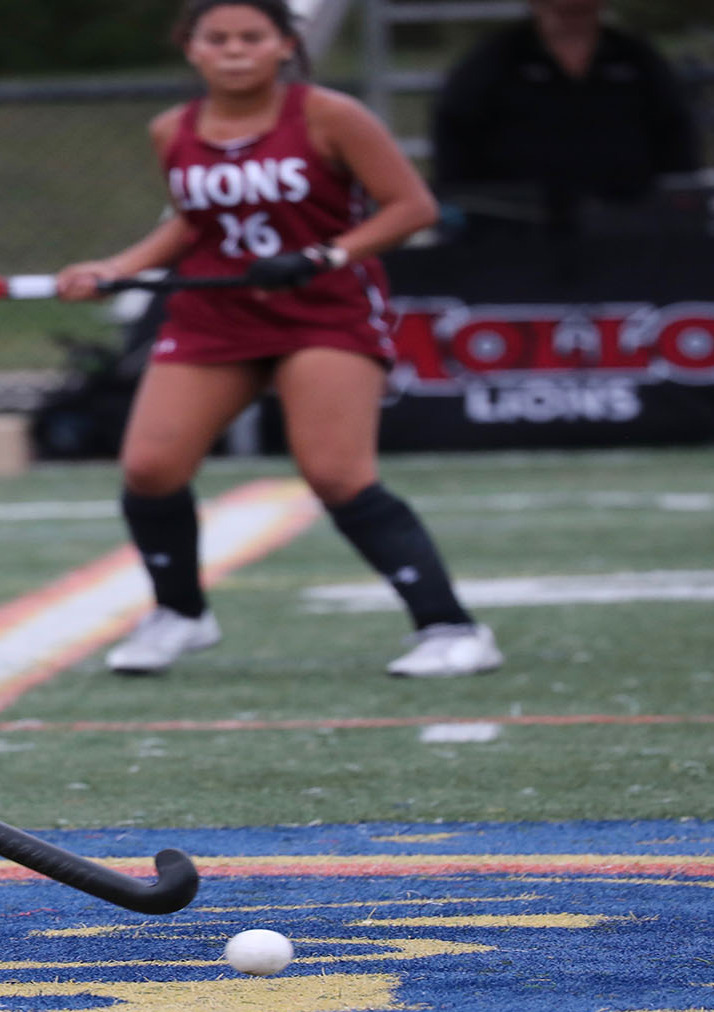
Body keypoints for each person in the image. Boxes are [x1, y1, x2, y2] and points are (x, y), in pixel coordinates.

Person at [54, 0, 503, 679]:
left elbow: (413, 207)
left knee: (336, 474)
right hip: (215, 316)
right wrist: (117, 268)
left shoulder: (331, 116)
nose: (235, 50)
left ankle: (451, 628)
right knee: (150, 468)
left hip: (322, 313)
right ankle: (180, 614)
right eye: (217, 38)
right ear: (191, 48)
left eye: (251, 37)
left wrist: (324, 256)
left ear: (285, 45)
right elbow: (191, 222)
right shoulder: (172, 129)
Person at [432, 0, 698, 228]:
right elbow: (455, 134)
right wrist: (470, 211)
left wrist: (675, 208)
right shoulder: (493, 61)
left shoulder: (637, 61)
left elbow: (677, 137)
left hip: (625, 226)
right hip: (518, 231)